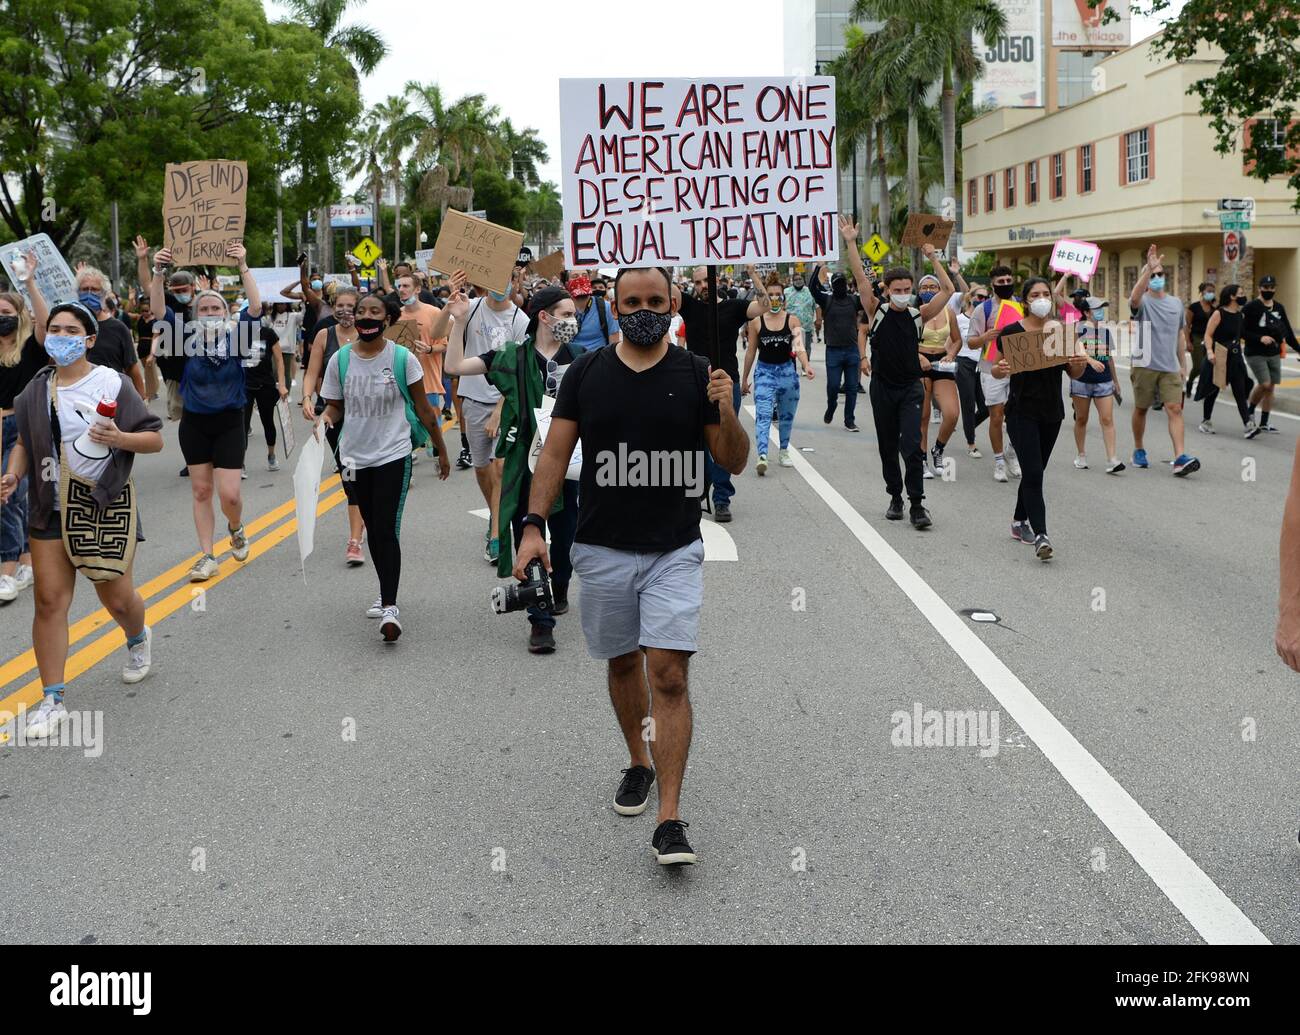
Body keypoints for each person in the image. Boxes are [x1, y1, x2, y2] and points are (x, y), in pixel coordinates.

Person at [513, 266, 748, 866]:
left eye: (655, 299)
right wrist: (534, 527)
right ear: (612, 306)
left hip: (674, 547)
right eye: (631, 300)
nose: (644, 308)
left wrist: (726, 411)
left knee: (668, 674)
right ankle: (638, 760)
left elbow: (733, 461)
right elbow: (555, 454)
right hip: (602, 548)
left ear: (673, 303)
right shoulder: (586, 373)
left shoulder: (700, 373)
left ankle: (670, 818)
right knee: (623, 663)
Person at [1, 301, 163, 738]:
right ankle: (52, 697)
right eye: (55, 328)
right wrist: (13, 474)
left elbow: (153, 439)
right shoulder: (36, 388)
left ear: (90, 340)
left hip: (100, 505)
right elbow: (23, 442)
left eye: (72, 330)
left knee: (117, 599)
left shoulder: (109, 383)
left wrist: (119, 436)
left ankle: (136, 637)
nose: (62, 336)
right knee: (50, 602)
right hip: (48, 508)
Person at [444, 282, 583, 654]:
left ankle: (560, 586)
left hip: (569, 463)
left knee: (567, 538)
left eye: (574, 314)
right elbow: (454, 366)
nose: (574, 320)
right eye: (567, 314)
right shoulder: (511, 357)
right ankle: (541, 622)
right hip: (525, 464)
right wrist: (458, 323)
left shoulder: (583, 358)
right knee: (528, 533)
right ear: (544, 316)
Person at [319, 291, 450, 642]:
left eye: (374, 311)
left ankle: (389, 606)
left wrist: (441, 449)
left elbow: (423, 408)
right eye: (361, 311)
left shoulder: (402, 358)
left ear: (387, 320)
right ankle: (385, 588)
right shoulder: (341, 361)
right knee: (373, 526)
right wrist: (324, 421)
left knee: (385, 528)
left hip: (393, 454)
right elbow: (335, 407)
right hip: (353, 456)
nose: (365, 317)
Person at [149, 242, 261, 581]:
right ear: (196, 315)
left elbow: (255, 307)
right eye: (205, 309)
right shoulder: (182, 338)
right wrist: (157, 271)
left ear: (225, 314)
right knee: (201, 491)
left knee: (229, 494)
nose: (210, 313)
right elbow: (158, 312)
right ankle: (207, 555)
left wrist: (242, 264)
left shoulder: (239, 338)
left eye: (216, 308)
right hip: (195, 424)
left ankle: (236, 526)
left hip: (229, 423)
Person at [856, 220, 954, 528]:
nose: (902, 294)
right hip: (883, 388)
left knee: (911, 444)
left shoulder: (918, 314)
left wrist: (934, 258)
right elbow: (860, 281)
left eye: (907, 290)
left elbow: (949, 289)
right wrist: (850, 243)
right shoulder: (877, 312)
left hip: (911, 387)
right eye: (896, 290)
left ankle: (917, 504)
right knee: (888, 446)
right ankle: (895, 497)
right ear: (886, 291)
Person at [431, 272, 529, 564]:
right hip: (473, 399)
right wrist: (449, 306)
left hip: (507, 402)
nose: (503, 287)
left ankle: (497, 532)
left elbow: (519, 370)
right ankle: (494, 517)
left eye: (508, 280)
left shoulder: (520, 320)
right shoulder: (469, 307)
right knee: (482, 468)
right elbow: (438, 334)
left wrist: (500, 410)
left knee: (500, 468)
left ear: (514, 282)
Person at [989, 279, 1089, 559]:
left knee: (1036, 471)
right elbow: (994, 369)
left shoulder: (1061, 331)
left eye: (1046, 294)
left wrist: (1079, 364)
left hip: (1052, 413)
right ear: (1025, 301)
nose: (1042, 298)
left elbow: (1074, 373)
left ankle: (1019, 522)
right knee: (1032, 472)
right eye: (1035, 294)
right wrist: (1001, 369)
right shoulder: (1011, 332)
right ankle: (1041, 534)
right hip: (1021, 412)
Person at [672, 264, 763, 523]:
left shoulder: (734, 307)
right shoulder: (689, 305)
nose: (703, 287)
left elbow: (764, 306)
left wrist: (753, 273)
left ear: (717, 280)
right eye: (698, 282)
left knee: (725, 439)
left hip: (727, 384)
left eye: (706, 281)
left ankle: (722, 499)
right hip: (695, 381)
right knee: (694, 440)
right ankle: (698, 490)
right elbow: (667, 288)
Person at [301, 287, 367, 566]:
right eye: (339, 305)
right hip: (336, 418)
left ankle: (370, 521)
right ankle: (355, 541)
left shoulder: (372, 335)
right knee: (351, 479)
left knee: (370, 478)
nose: (345, 311)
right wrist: (306, 398)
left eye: (351, 306)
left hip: (371, 419)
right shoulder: (324, 335)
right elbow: (312, 371)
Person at [0, 255, 48, 604]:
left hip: (21, 425)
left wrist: (29, 283)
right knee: (14, 498)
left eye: (6, 313)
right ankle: (27, 559)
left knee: (8, 495)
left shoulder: (32, 348)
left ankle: (8, 568)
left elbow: (45, 324)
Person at [1129, 243, 1195, 473]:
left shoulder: (1176, 303)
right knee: (1141, 409)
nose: (1157, 277)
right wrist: (1148, 268)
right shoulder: (1143, 302)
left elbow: (1178, 335)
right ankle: (1138, 449)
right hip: (1144, 363)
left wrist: (1183, 364)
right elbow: (1134, 300)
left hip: (1169, 366)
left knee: (1174, 408)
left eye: (1159, 274)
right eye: (1152, 275)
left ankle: (1180, 457)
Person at [741, 272, 814, 473]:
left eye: (777, 295)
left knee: (786, 415)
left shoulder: (793, 321)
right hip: (764, 372)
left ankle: (783, 450)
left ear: (784, 297)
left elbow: (799, 347)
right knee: (763, 414)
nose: (774, 298)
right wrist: (745, 379)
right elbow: (750, 352)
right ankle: (762, 455)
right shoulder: (756, 322)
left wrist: (806, 365)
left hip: (787, 373)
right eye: (770, 294)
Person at [967, 266, 1024, 482]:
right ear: (993, 284)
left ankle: (1012, 452)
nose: (1006, 284)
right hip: (991, 367)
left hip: (1018, 367)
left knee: (1018, 416)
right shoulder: (984, 309)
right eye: (1001, 282)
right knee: (996, 416)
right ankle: (999, 461)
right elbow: (971, 342)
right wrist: (986, 337)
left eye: (1009, 280)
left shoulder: (1021, 306)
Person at [1066, 295, 1125, 474]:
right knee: (1081, 419)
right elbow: (1074, 350)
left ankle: (1112, 459)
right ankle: (1081, 455)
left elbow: (1109, 358)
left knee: (1107, 419)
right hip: (1081, 381)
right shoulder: (1077, 329)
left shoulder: (1105, 332)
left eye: (1102, 308)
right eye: (1097, 309)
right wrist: (1090, 361)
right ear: (1086, 312)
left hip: (1103, 381)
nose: (1100, 312)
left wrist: (1115, 380)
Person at [134, 235, 189, 424]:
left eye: (184, 289)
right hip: (175, 369)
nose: (181, 293)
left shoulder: (204, 305)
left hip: (201, 369)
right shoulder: (170, 304)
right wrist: (143, 260)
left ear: (193, 288)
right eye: (177, 290)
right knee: (179, 415)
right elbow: (149, 288)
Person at [808, 252, 865, 432]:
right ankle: (831, 406)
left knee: (851, 388)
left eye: (842, 283)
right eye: (837, 284)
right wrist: (819, 266)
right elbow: (812, 287)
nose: (840, 286)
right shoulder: (827, 300)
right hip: (833, 351)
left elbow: (871, 297)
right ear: (833, 286)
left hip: (851, 351)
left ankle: (850, 420)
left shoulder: (854, 300)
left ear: (846, 286)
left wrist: (866, 276)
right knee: (833, 386)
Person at [74, 264, 146, 400]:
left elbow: (132, 368)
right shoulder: (69, 327)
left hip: (111, 400)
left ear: (104, 294)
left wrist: (141, 400)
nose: (89, 293)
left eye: (94, 289)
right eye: (84, 289)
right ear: (78, 292)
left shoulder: (118, 328)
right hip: (77, 398)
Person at [915, 272, 961, 479]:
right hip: (919, 363)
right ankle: (922, 458)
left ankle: (938, 450)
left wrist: (951, 354)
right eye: (924, 288)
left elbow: (957, 340)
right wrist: (918, 356)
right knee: (923, 416)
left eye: (933, 287)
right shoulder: (915, 312)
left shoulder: (949, 311)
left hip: (941, 363)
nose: (928, 291)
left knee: (951, 414)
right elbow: (905, 340)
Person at [1198, 284, 1255, 440]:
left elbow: (1242, 335)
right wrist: (1210, 352)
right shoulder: (1219, 313)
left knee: (1240, 390)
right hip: (1219, 355)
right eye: (1241, 293)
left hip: (1235, 358)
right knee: (1214, 389)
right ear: (1232, 296)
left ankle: (1248, 425)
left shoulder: (1239, 315)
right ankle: (1206, 421)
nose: (1244, 296)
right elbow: (1208, 335)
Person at [1243, 274, 1298, 433]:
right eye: (1266, 287)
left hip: (1273, 353)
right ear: (1259, 288)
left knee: (1271, 388)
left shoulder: (1279, 308)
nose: (1269, 290)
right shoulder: (1251, 307)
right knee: (1265, 383)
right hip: (1255, 352)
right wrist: (1259, 338)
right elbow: (1242, 331)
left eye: (1272, 287)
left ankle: (1264, 422)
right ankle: (1250, 411)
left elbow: (1287, 332)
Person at [242, 313, 288, 473]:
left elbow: (279, 359)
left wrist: (281, 384)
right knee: (242, 424)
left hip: (265, 385)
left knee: (267, 422)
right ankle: (240, 462)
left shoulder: (268, 333)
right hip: (244, 386)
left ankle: (271, 454)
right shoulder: (236, 334)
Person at [954, 282, 991, 460]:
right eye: (980, 297)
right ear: (971, 298)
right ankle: (971, 444)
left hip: (981, 365)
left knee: (986, 408)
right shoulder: (959, 319)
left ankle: (968, 427)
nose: (982, 300)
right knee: (968, 404)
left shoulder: (986, 320)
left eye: (986, 298)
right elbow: (952, 341)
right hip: (964, 363)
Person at [567, 272, 620, 353]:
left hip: (598, 361)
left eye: (585, 276)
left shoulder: (606, 308)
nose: (581, 279)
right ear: (567, 283)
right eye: (575, 276)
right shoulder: (562, 309)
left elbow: (614, 343)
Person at [1186, 282, 1217, 399]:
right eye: (1208, 291)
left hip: (1210, 339)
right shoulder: (1194, 307)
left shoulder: (1214, 309)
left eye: (1213, 291)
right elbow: (1186, 325)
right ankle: (1190, 382)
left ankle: (1200, 389)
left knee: (1207, 366)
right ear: (1202, 292)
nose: (1211, 293)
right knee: (1198, 366)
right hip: (1197, 338)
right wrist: (1188, 341)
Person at [783, 273, 818, 363]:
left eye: (800, 279)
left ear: (803, 280)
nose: (798, 281)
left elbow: (817, 306)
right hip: (791, 326)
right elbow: (781, 306)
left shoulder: (810, 291)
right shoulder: (786, 292)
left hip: (806, 326)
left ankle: (805, 366)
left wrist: (819, 319)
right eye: (796, 279)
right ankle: (791, 365)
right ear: (793, 281)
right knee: (791, 347)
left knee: (806, 347)